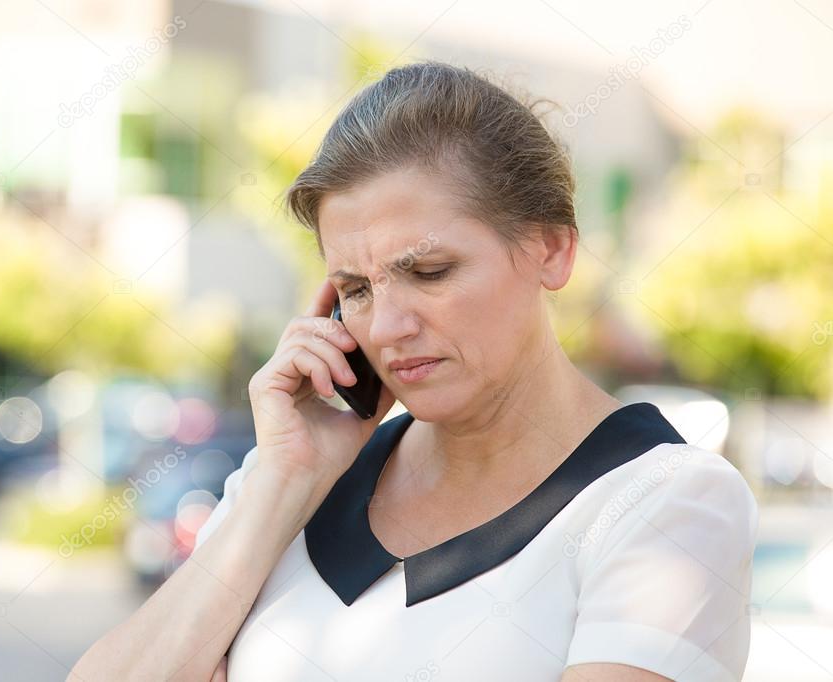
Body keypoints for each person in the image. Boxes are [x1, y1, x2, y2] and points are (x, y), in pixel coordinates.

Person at [70, 60, 758, 682]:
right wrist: (283, 482)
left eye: (428, 272)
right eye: (356, 289)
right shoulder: (294, 479)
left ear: (550, 248)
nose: (387, 328)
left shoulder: (665, 501)